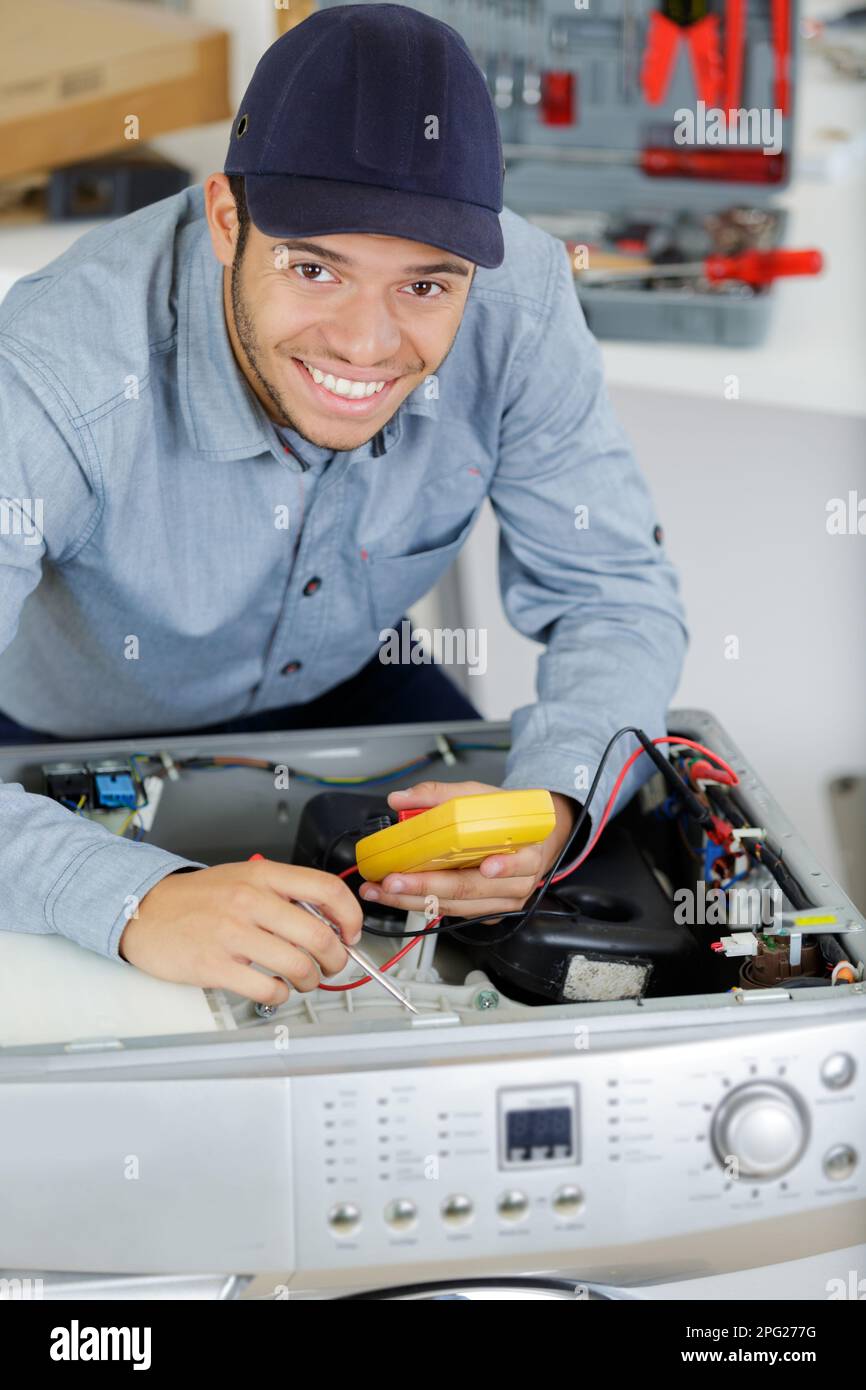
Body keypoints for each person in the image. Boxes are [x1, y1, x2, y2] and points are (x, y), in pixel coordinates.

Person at [0, 5, 687, 1008]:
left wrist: (558, 803)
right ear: (227, 219)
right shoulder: (52, 374)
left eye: (423, 285)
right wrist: (132, 899)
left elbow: (614, 593)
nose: (366, 346)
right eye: (314, 268)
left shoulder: (519, 300)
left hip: (342, 675)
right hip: (54, 724)